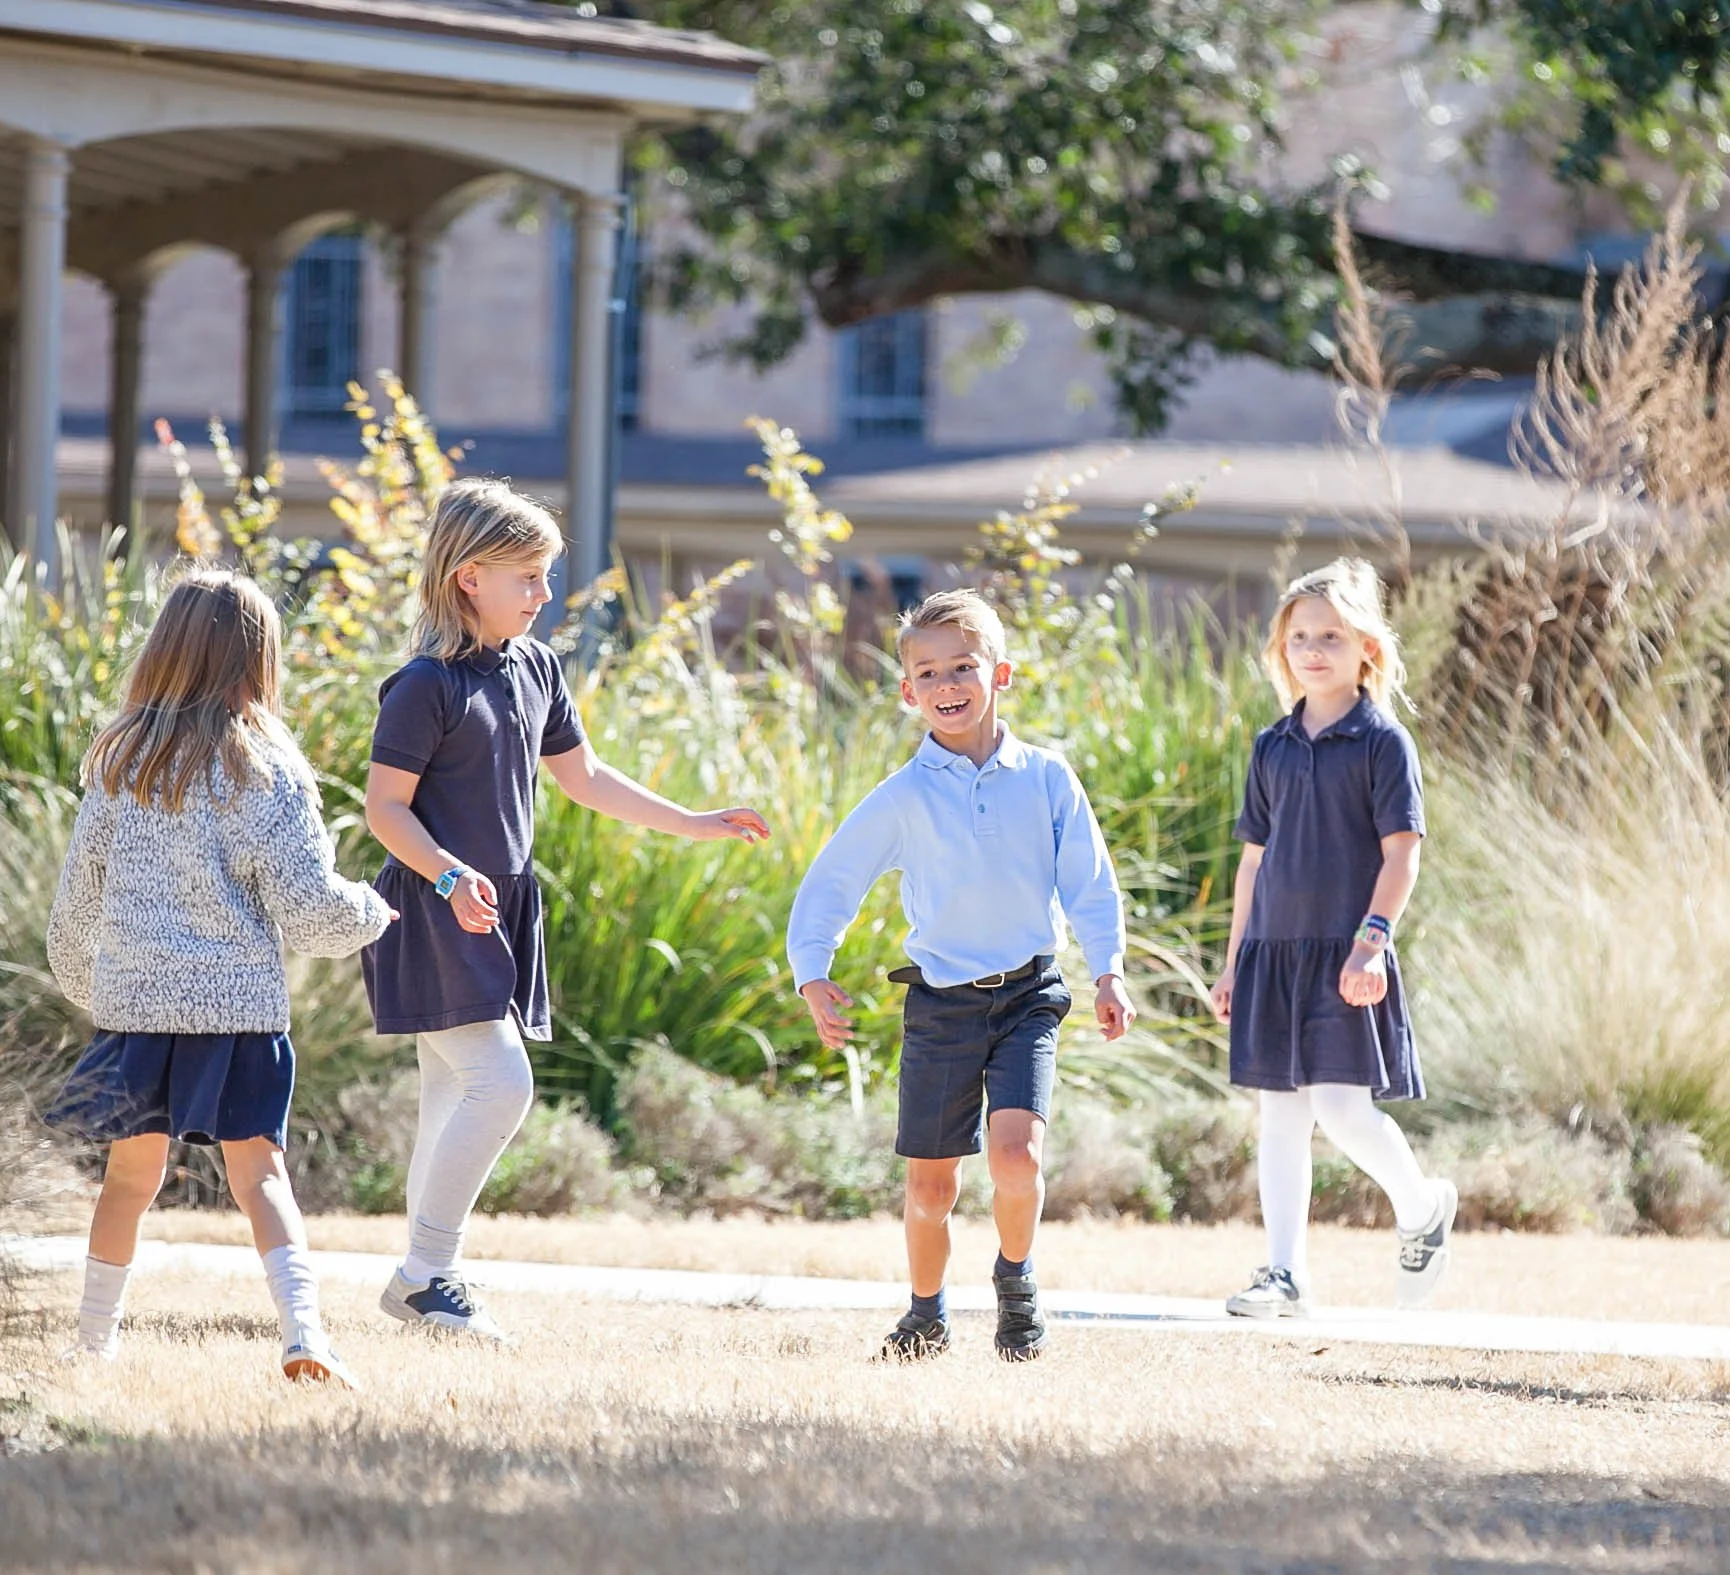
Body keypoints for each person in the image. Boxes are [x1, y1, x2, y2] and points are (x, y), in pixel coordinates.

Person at [360, 478, 766, 1342]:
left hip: (498, 909)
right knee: (500, 1084)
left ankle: (428, 1279)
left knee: (451, 1094)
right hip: (435, 909)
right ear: (470, 576)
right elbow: (384, 809)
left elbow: (584, 778)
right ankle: (426, 1274)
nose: (546, 594)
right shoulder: (423, 686)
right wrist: (449, 876)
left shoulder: (537, 667)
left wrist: (695, 821)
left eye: (547, 575)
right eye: (529, 577)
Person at [46, 568, 393, 1385]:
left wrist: (102, 996)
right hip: (238, 1013)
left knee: (128, 1179)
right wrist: (374, 911)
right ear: (258, 659)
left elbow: (75, 909)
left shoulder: (120, 764)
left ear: (162, 650)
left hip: (137, 1015)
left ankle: (94, 1343)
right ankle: (305, 1334)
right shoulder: (268, 772)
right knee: (261, 1174)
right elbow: (309, 909)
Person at [786, 588, 1131, 1362]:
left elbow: (1089, 882)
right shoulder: (904, 796)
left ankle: (1016, 1281)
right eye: (929, 673)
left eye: (963, 667)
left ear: (1000, 673)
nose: (947, 685)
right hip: (941, 1007)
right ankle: (925, 1315)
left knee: (1017, 1157)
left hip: (1027, 996)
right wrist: (813, 969)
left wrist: (1109, 970)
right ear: (908, 691)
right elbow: (833, 881)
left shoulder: (1046, 778)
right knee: (930, 1189)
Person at [1211, 559, 1457, 1319]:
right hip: (1272, 955)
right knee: (1280, 1115)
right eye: (1300, 637)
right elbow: (1253, 863)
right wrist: (1233, 965)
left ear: (1366, 648)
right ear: (1281, 648)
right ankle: (1285, 1275)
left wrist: (1371, 943)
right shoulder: (1272, 745)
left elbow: (1402, 855)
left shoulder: (1383, 743)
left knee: (1344, 1110)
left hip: (1346, 954)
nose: (1313, 650)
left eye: (1331, 637)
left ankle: (1421, 1206)